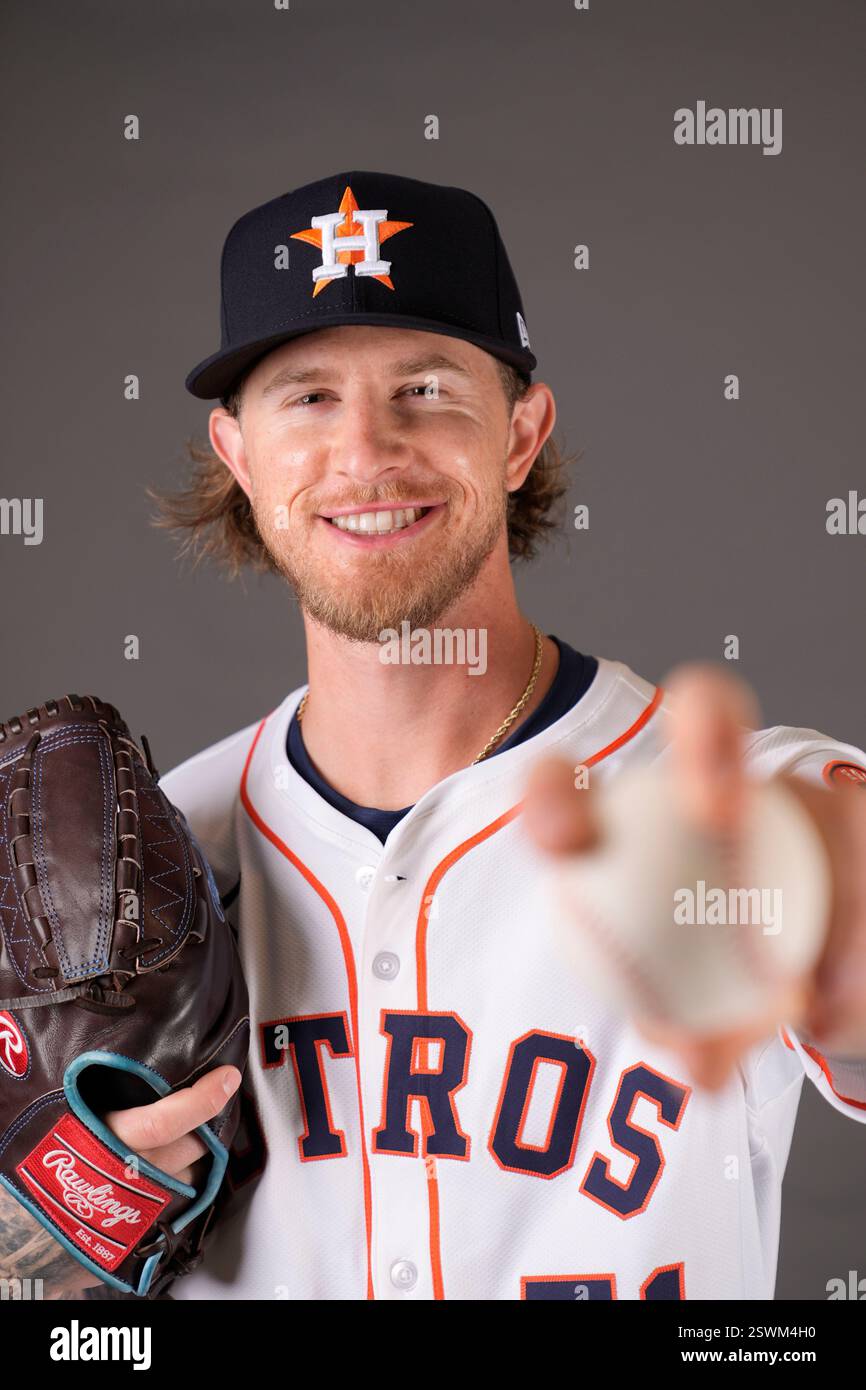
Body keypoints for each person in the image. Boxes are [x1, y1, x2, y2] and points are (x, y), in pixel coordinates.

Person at [5, 170, 864, 1300]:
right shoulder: (158, 870)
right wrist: (37, 1241)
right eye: (306, 398)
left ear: (520, 433)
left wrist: (816, 913)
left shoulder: (718, 809)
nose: (366, 452)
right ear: (238, 457)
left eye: (424, 386)